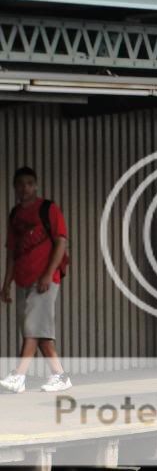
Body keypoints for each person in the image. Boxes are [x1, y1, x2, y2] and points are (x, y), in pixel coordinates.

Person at [1, 166, 72, 393]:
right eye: (20, 183)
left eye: (30, 183)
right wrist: (6, 283)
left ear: (36, 185)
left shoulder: (48, 209)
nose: (25, 188)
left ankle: (19, 376)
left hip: (45, 278)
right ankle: (60, 377)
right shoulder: (15, 215)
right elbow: (11, 251)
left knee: (32, 327)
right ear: (15, 187)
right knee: (38, 332)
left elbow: (61, 242)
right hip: (23, 278)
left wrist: (47, 274)